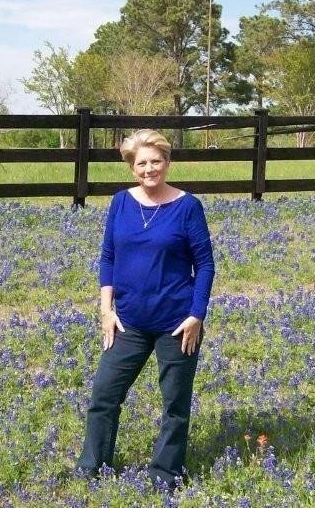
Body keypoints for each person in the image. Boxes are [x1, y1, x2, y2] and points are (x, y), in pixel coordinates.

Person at [76, 129, 215, 489]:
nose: (149, 169)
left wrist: (196, 315)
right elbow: (108, 256)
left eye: (156, 161)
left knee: (175, 404)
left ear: (167, 163)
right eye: (142, 163)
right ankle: (93, 467)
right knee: (104, 395)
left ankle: (165, 474)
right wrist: (106, 309)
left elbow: (205, 265)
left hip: (176, 322)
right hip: (129, 322)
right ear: (131, 168)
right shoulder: (121, 202)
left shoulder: (187, 207)